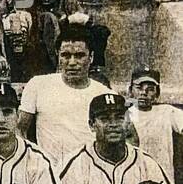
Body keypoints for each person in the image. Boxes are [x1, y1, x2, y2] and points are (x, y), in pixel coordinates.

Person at [18, 27, 117, 166]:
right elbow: (19, 129)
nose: (72, 62)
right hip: (49, 174)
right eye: (65, 55)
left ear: (91, 57)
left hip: (92, 173)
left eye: (79, 55)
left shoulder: (104, 94)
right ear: (57, 55)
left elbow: (128, 136)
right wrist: (32, 163)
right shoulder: (38, 85)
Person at [127, 68, 183, 184]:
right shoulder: (126, 115)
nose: (144, 93)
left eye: (150, 89)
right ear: (130, 91)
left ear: (157, 93)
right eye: (139, 88)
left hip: (162, 180)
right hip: (133, 179)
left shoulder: (167, 112)